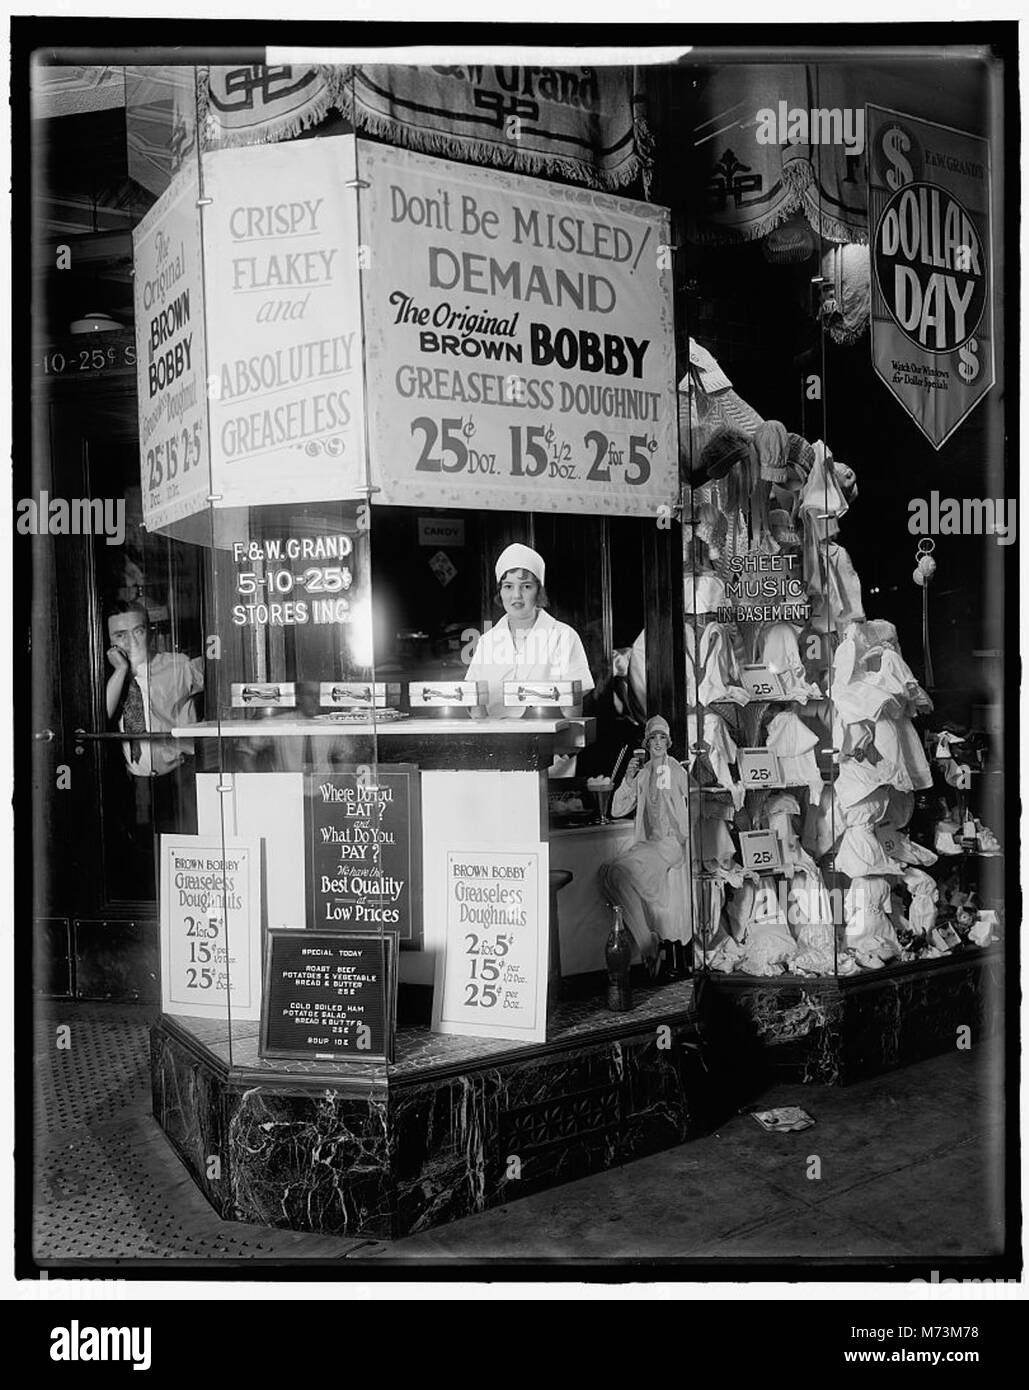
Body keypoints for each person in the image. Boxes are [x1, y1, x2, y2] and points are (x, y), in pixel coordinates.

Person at [600, 715, 692, 977]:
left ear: (669, 742)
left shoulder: (675, 771)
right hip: (649, 846)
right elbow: (617, 810)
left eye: (663, 738)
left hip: (670, 846)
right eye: (654, 738)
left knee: (617, 873)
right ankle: (646, 942)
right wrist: (629, 780)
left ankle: (648, 946)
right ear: (647, 743)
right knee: (610, 875)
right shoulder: (642, 775)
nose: (659, 743)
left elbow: (691, 804)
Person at [106, 600, 204, 835]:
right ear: (109, 641)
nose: (131, 642)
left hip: (178, 777)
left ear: (148, 632)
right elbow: (102, 714)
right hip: (131, 782)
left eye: (137, 631)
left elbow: (222, 672)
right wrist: (120, 671)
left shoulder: (178, 666)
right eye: (120, 635)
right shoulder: (106, 674)